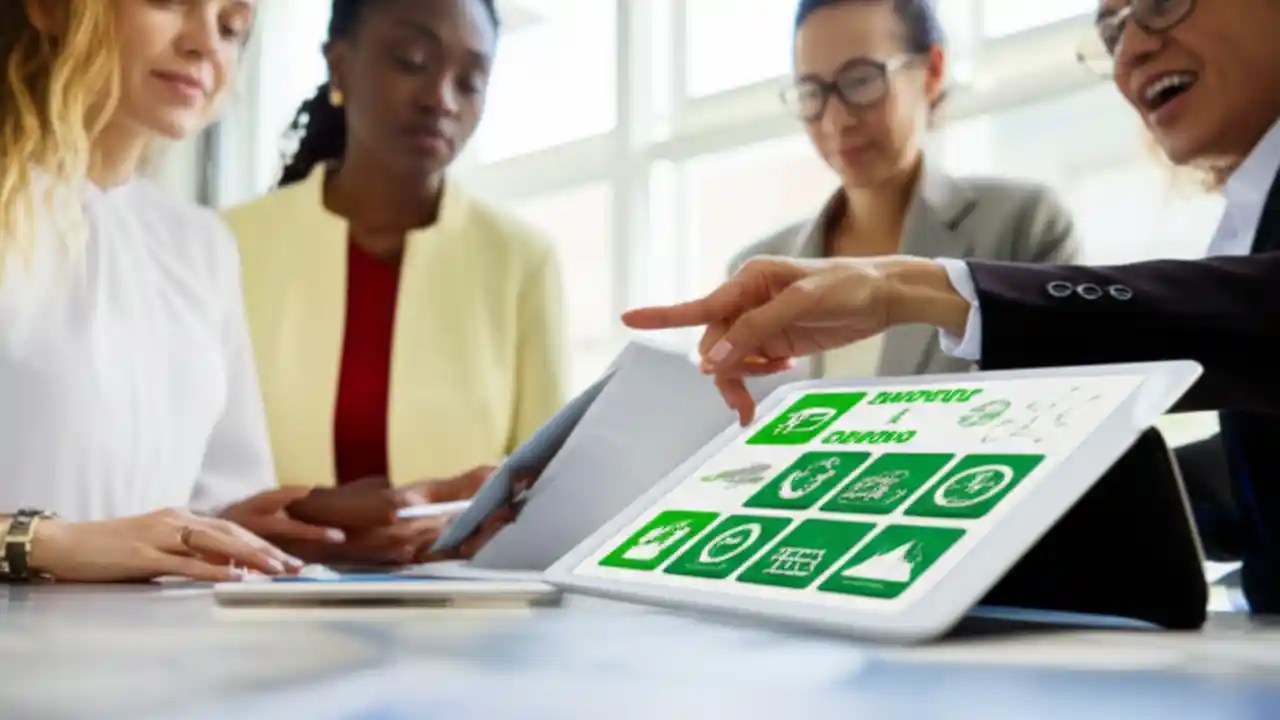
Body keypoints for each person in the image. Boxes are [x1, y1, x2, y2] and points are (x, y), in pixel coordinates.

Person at [623, 0, 1280, 614]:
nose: (1130, 49)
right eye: (1110, 31)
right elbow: (1250, 465)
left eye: (860, 80)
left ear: (930, 73)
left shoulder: (1019, 219)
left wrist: (918, 290)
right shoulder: (1253, 205)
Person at [223, 0, 566, 563]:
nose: (442, 98)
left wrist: (464, 522)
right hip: (255, 606)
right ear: (340, 66)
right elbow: (182, 480)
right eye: (411, 61)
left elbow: (549, 485)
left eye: (471, 80)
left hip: (460, 618)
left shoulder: (523, 261)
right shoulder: (225, 246)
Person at [0, 0, 327, 581]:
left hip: (161, 658)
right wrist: (52, 543)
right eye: (170, 2)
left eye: (232, 26)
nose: (206, 43)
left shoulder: (202, 247)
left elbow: (218, 499)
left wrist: (333, 529)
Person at [729, 0, 1080, 380]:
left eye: (862, 80)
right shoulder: (759, 269)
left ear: (931, 71)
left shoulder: (1022, 226)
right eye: (812, 91)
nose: (836, 120)